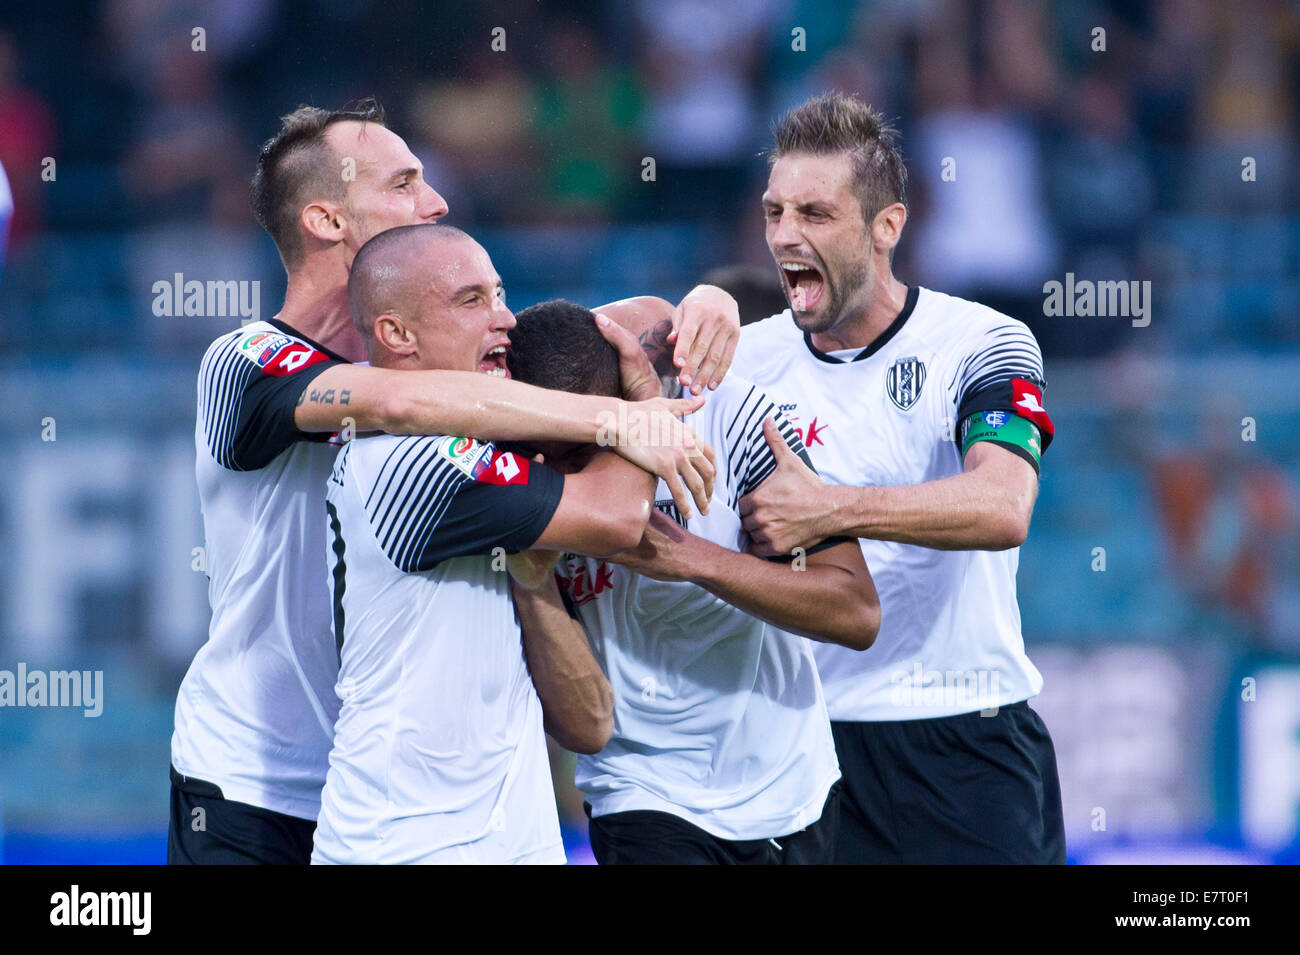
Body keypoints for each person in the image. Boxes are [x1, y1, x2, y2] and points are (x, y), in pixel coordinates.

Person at [169, 100, 731, 865]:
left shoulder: (459, 366)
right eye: (403, 183)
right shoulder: (246, 362)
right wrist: (615, 419)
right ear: (327, 219)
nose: (434, 201)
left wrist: (707, 301)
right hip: (253, 787)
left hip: (385, 789)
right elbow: (396, 400)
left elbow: (624, 328)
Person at [732, 92, 1065, 863]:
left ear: (887, 227)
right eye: (774, 211)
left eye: (815, 214)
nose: (785, 235)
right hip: (804, 752)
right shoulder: (746, 362)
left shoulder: (982, 341)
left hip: (965, 741)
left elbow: (1003, 503)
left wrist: (829, 510)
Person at [313, 224, 656, 864]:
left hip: (520, 846)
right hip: (405, 848)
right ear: (396, 335)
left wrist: (707, 305)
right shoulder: (407, 463)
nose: (505, 319)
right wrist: (643, 400)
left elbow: (589, 725)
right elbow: (618, 519)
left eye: (499, 293)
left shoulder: (497, 462)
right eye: (471, 301)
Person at [505, 296, 881, 865]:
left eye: (578, 452)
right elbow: (583, 728)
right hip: (640, 794)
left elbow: (855, 612)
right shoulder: (508, 476)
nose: (557, 478)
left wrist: (690, 560)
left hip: (790, 789)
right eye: (540, 453)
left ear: (625, 406)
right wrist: (532, 582)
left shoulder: (726, 412)